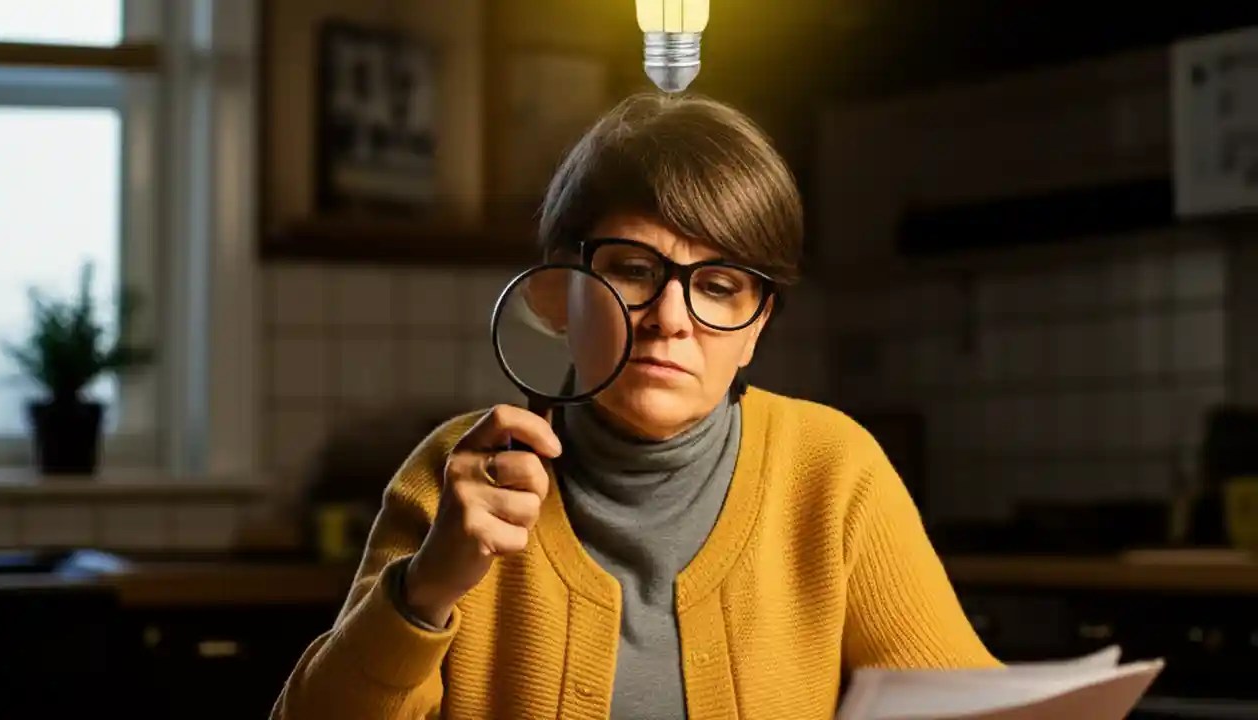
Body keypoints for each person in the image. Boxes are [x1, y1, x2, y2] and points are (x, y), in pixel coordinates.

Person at [271, 93, 998, 720]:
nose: (670, 318)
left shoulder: (833, 472)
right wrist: (426, 588)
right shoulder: (457, 476)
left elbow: (971, 703)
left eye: (718, 286)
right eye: (633, 270)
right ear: (557, 294)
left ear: (757, 329)